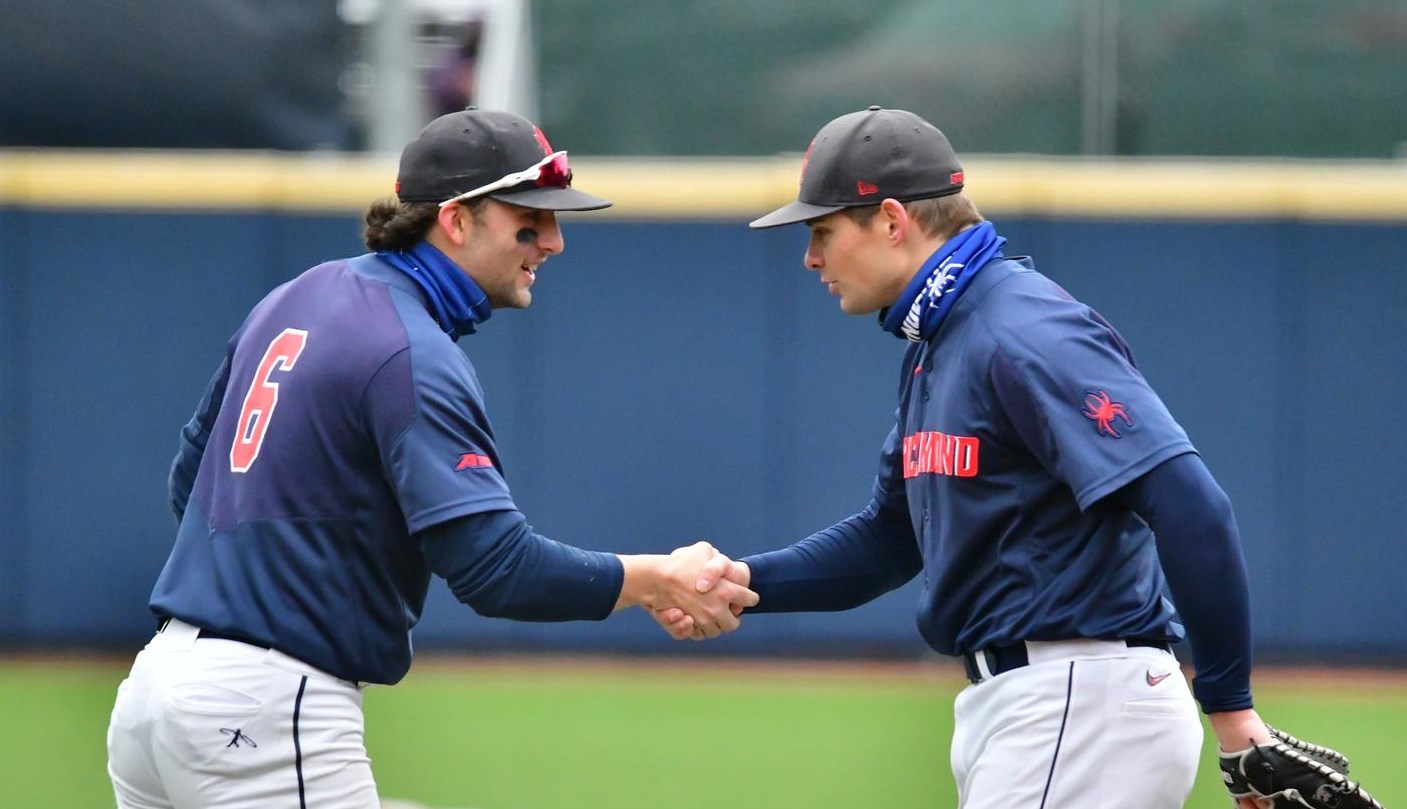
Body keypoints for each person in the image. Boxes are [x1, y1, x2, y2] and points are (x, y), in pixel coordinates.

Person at [106, 108, 758, 809]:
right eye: (529, 218)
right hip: (263, 705)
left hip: (154, 692)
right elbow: (497, 570)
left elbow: (192, 484)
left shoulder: (297, 296)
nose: (555, 240)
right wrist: (658, 578)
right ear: (455, 219)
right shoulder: (408, 347)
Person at [661, 106, 1274, 808]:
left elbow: (1190, 503)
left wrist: (1231, 713)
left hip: (1078, 701)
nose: (809, 257)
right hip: (1036, 706)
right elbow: (890, 540)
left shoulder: (1022, 327)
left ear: (891, 220)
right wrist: (741, 581)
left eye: (822, 231)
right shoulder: (943, 342)